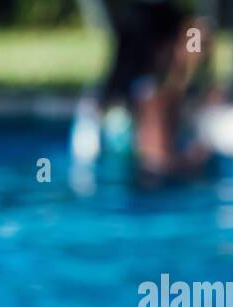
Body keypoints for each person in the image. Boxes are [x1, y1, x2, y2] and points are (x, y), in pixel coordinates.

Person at [75, 0, 210, 180]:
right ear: (162, 46)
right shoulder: (153, 98)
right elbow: (157, 166)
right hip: (147, 201)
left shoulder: (105, 97)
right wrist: (198, 158)